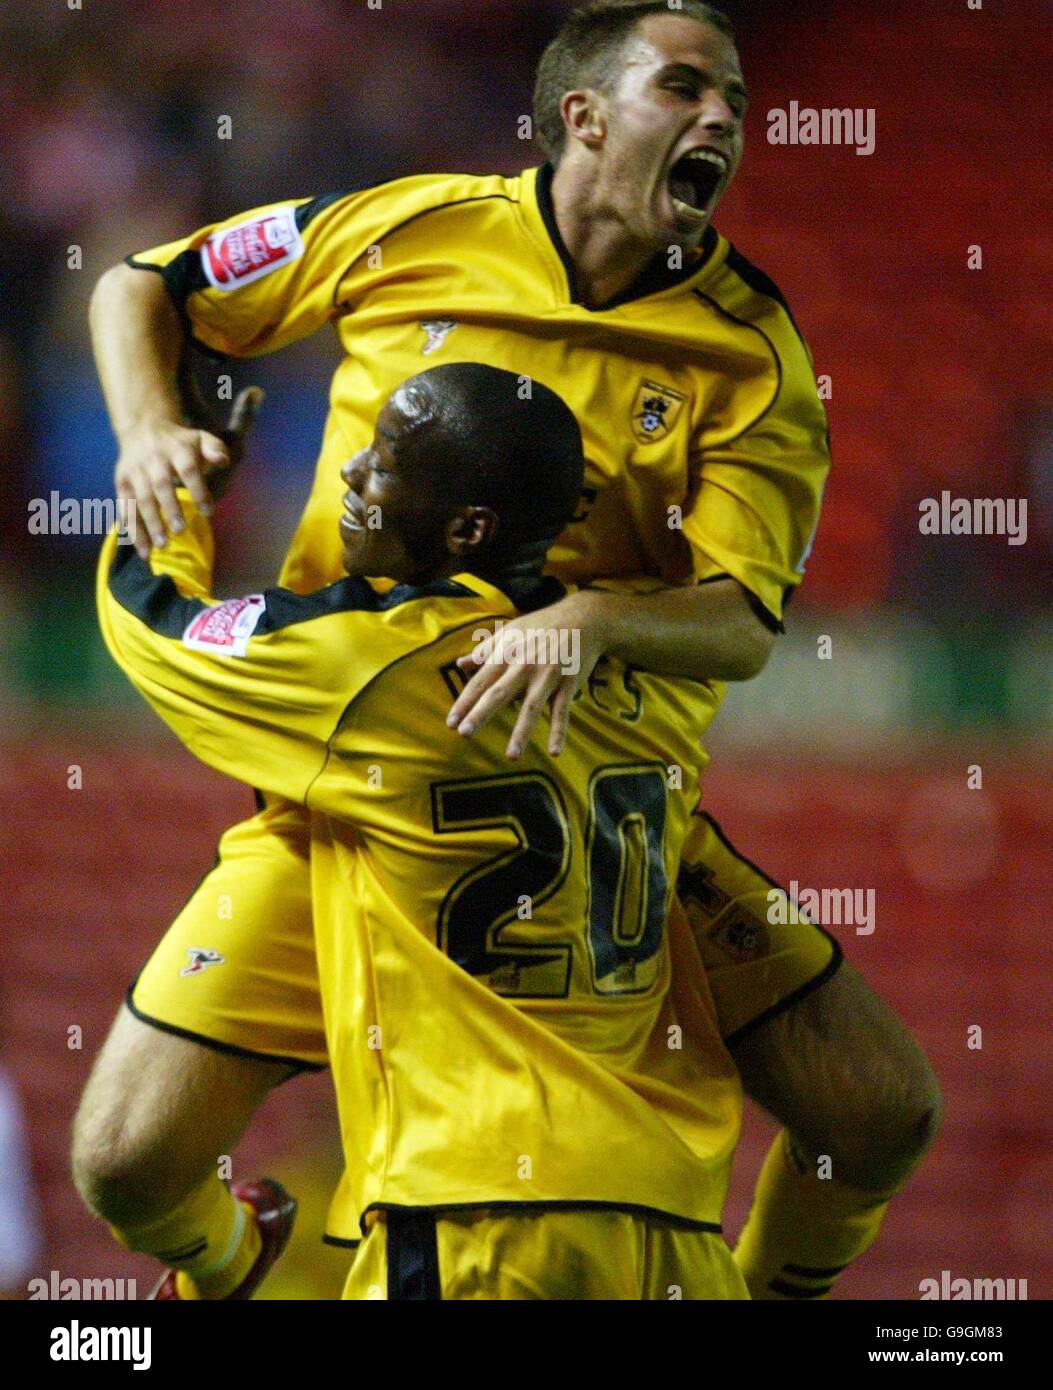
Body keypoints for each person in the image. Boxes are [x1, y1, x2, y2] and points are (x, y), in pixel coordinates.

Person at [74, 0, 940, 1301]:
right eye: (687, 88)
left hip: (606, 796)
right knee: (129, 1158)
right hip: (360, 777)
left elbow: (743, 622)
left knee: (880, 1112)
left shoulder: (750, 353)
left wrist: (588, 623)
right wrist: (147, 434)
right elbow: (145, 281)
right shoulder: (412, 226)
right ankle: (238, 1262)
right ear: (582, 118)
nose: (722, 120)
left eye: (739, 103)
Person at [98, 362, 748, 1300]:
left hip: (476, 1216)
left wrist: (172, 497)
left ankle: (226, 1262)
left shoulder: (373, 661)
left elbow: (148, 622)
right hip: (676, 1224)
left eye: (383, 466)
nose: (349, 479)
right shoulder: (657, 684)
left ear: (466, 529)